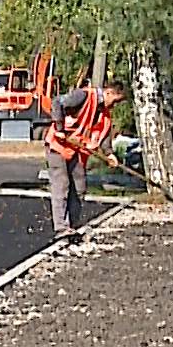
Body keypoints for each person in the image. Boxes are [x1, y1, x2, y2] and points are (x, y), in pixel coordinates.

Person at [44, 79, 127, 238]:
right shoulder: (82, 95)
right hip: (58, 146)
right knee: (61, 185)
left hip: (76, 150)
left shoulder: (104, 114)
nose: (114, 105)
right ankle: (61, 227)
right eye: (115, 101)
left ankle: (73, 225)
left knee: (79, 187)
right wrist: (60, 128)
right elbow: (57, 102)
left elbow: (103, 136)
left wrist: (109, 154)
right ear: (108, 92)